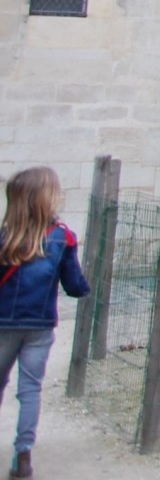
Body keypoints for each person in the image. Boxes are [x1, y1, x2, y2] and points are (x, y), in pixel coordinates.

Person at [0, 167, 92, 480]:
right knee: (30, 390)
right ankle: (23, 453)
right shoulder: (62, 237)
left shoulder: (4, 237)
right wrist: (85, 285)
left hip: (2, 323)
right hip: (39, 324)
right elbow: (74, 286)